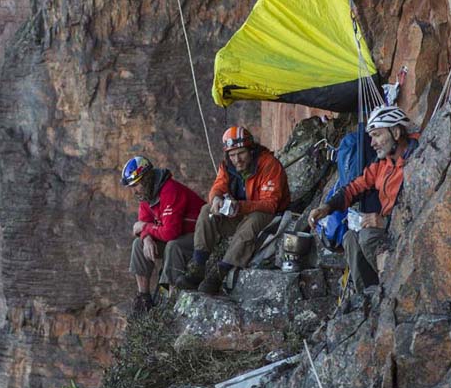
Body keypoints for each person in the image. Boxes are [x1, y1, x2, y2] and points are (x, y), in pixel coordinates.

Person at [308, 105, 419, 292]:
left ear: (396, 132)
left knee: (367, 236)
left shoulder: (417, 160)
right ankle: (370, 294)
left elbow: (418, 206)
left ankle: (396, 286)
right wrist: (326, 208)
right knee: (351, 237)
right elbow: (354, 187)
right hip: (389, 229)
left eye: (377, 135)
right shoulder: (383, 165)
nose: (372, 143)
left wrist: (386, 222)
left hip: (405, 230)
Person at [176, 126, 290, 294]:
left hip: (271, 216)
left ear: (251, 150)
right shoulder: (227, 166)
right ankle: (197, 268)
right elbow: (218, 186)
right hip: (240, 213)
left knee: (253, 220)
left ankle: (220, 273)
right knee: (207, 211)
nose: (237, 159)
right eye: (232, 154)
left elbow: (271, 203)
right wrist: (216, 198)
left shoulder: (268, 165)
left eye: (241, 153)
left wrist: (241, 207)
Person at [121, 156, 205, 314]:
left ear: (147, 179)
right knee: (138, 245)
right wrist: (145, 237)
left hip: (200, 235)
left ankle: (164, 297)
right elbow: (142, 224)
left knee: (174, 246)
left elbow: (170, 233)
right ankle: (143, 298)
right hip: (179, 234)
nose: (134, 191)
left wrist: (145, 227)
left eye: (136, 185)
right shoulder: (146, 196)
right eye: (131, 186)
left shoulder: (170, 190)